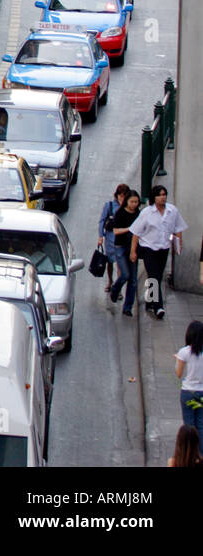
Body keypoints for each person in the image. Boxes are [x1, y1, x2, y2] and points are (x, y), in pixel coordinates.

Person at [129, 184, 186, 320]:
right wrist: (133, 251)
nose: (162, 197)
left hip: (163, 248)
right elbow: (136, 233)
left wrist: (178, 243)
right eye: (159, 195)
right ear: (154, 198)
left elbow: (178, 228)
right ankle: (158, 306)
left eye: (164, 194)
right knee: (154, 276)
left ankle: (150, 299)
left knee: (157, 277)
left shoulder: (172, 211)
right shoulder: (147, 213)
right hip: (149, 248)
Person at [102, 183, 132, 302]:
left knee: (120, 263)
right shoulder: (110, 205)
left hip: (122, 239)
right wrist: (100, 236)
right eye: (121, 195)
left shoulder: (128, 207)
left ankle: (117, 289)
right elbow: (102, 220)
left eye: (125, 196)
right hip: (110, 237)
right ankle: (110, 281)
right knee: (110, 261)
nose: (122, 198)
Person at [177, 321, 203, 431]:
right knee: (201, 426)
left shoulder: (184, 352)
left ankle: (189, 448)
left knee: (189, 427)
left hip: (188, 392)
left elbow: (178, 373)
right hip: (201, 392)